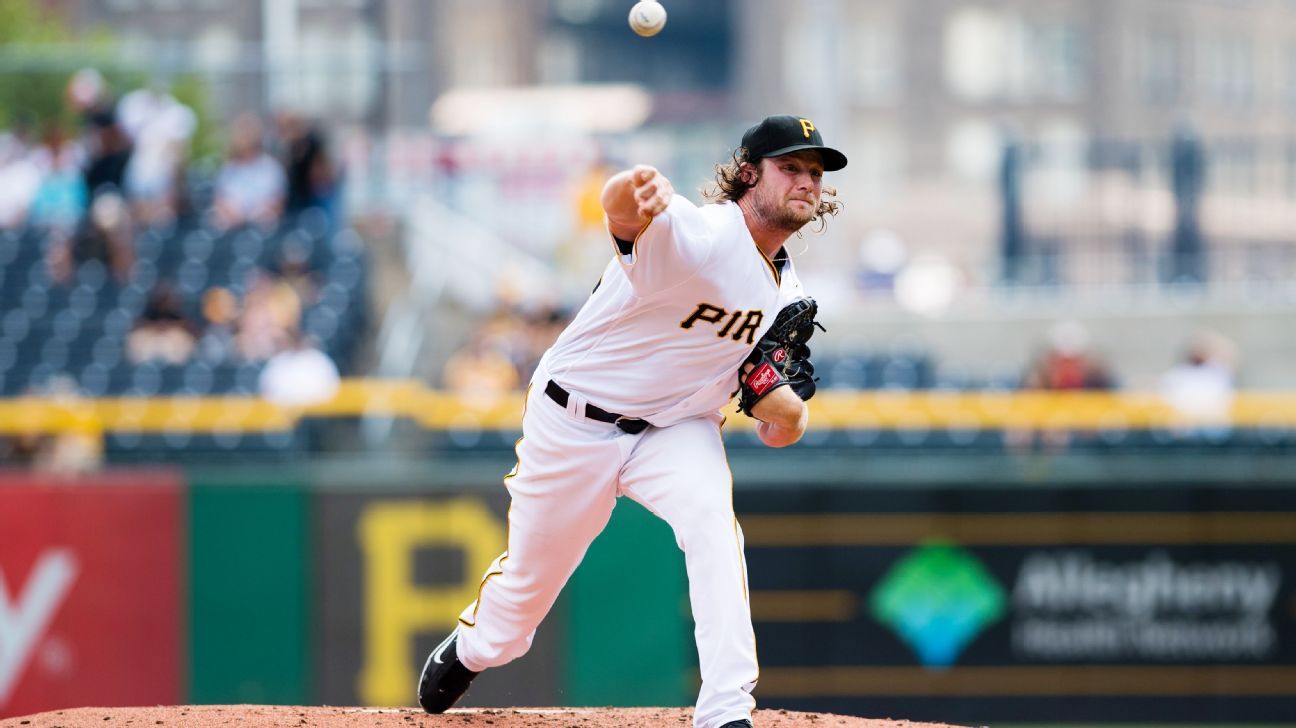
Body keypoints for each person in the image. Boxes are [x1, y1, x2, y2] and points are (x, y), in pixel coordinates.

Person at [416, 115, 847, 728]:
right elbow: (621, 214)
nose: (806, 180)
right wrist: (629, 185)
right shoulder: (698, 234)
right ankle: (474, 646)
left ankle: (726, 712)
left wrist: (787, 417)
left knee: (714, 529)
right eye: (790, 167)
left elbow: (778, 422)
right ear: (749, 173)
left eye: (814, 172)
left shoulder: (789, 293)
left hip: (676, 429)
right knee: (517, 615)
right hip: (575, 419)